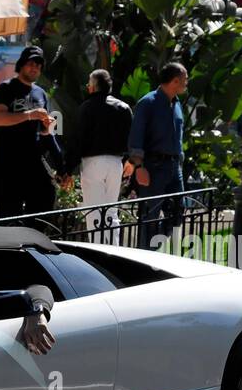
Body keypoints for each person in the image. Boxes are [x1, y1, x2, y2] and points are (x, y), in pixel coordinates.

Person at [0, 45, 69, 222]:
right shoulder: (6, 89)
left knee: (43, 207)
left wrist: (61, 167)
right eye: (31, 63)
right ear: (22, 64)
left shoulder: (41, 94)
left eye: (38, 65)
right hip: (8, 163)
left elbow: (47, 134)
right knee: (8, 217)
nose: (35, 68)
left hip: (34, 162)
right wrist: (29, 115)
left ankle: (33, 245)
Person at [62, 69, 133, 244]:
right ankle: (114, 251)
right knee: (111, 211)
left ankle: (98, 253)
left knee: (94, 212)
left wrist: (68, 169)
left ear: (93, 87)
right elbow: (132, 137)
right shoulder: (124, 108)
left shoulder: (86, 108)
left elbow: (77, 140)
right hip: (116, 163)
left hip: (93, 162)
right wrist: (131, 160)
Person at [128, 61, 188, 249]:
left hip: (173, 167)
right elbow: (136, 137)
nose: (187, 83)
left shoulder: (177, 105)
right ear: (175, 81)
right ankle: (144, 260)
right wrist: (139, 167)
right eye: (185, 80)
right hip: (153, 167)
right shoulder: (148, 103)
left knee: (179, 211)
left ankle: (151, 249)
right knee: (149, 217)